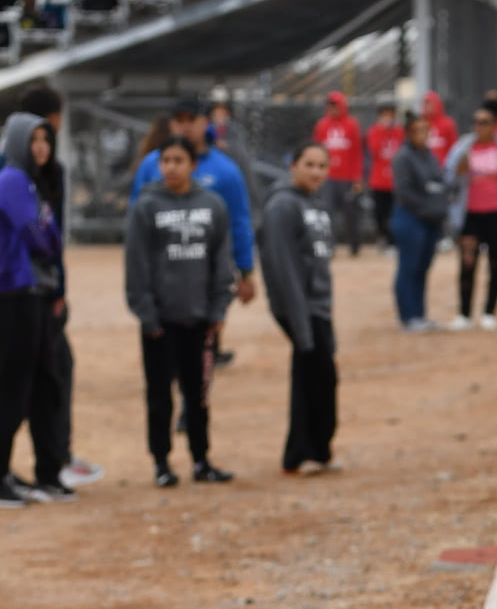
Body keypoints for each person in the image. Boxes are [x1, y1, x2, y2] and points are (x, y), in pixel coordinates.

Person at [124, 136, 234, 487]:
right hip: (160, 321)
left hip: (199, 318)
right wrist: (147, 314)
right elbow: (136, 265)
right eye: (165, 160)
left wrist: (218, 308)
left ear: (193, 165)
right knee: (159, 396)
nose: (171, 167)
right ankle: (161, 463)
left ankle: (201, 461)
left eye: (178, 160)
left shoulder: (212, 205)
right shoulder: (147, 207)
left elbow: (221, 261)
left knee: (197, 396)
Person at [17, 83, 103, 491]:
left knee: (49, 374)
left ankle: (53, 462)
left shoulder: (40, 172)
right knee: (40, 378)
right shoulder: (19, 178)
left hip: (37, 290)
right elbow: (48, 239)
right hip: (27, 294)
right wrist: (58, 288)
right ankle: (54, 462)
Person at [258, 143, 339, 474]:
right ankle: (301, 453)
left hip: (318, 306)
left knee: (320, 377)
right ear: (292, 165)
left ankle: (316, 451)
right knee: (313, 376)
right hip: (300, 307)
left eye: (322, 166)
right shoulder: (282, 206)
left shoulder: (314, 203)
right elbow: (282, 267)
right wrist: (298, 319)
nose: (316, 172)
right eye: (309, 164)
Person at [129, 97, 256, 307]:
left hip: (207, 274)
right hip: (160, 273)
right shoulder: (151, 165)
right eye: (179, 120)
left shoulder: (225, 169)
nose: (185, 125)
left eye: (191, 119)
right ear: (171, 124)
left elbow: (239, 220)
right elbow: (135, 220)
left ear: (206, 122)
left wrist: (245, 269)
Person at [0, 115, 63, 507]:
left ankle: (5, 471)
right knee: (10, 387)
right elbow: (40, 235)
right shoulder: (11, 180)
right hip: (11, 292)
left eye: (46, 139)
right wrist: (47, 231)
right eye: (33, 139)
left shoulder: (27, 182)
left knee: (20, 386)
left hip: (24, 290)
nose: (40, 147)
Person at [444, 107, 497, 329]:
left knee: (495, 264)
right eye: (476, 121)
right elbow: (447, 181)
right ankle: (464, 314)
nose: (479, 126)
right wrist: (458, 171)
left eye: (484, 122)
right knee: (467, 264)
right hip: (470, 215)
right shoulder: (463, 147)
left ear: (494, 125)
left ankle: (489, 312)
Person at [389, 113, 449, 330]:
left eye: (426, 130)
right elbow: (404, 192)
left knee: (422, 268)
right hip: (410, 219)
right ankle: (408, 316)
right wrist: (428, 207)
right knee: (409, 267)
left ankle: (420, 314)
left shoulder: (429, 155)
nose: (424, 134)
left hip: (430, 220)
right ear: (409, 133)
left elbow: (437, 182)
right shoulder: (403, 157)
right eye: (419, 130)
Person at [312, 91, 364, 255]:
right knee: (327, 212)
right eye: (330, 106)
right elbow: (315, 151)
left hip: (347, 177)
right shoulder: (322, 125)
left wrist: (357, 177)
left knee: (351, 213)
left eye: (336, 105)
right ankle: (330, 245)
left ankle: (354, 245)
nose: (333, 109)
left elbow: (357, 152)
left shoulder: (351, 124)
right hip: (328, 177)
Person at [365, 99, 404, 247]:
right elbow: (374, 151)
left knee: (396, 212)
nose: (388, 118)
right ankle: (384, 238)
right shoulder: (374, 131)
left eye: (390, 115)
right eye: (385, 115)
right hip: (379, 179)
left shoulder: (399, 131)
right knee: (380, 213)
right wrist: (383, 130)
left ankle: (394, 240)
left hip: (396, 180)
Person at [421, 91, 458, 163]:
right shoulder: (420, 123)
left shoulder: (448, 123)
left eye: (431, 103)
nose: (428, 107)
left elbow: (454, 148)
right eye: (426, 103)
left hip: (443, 167)